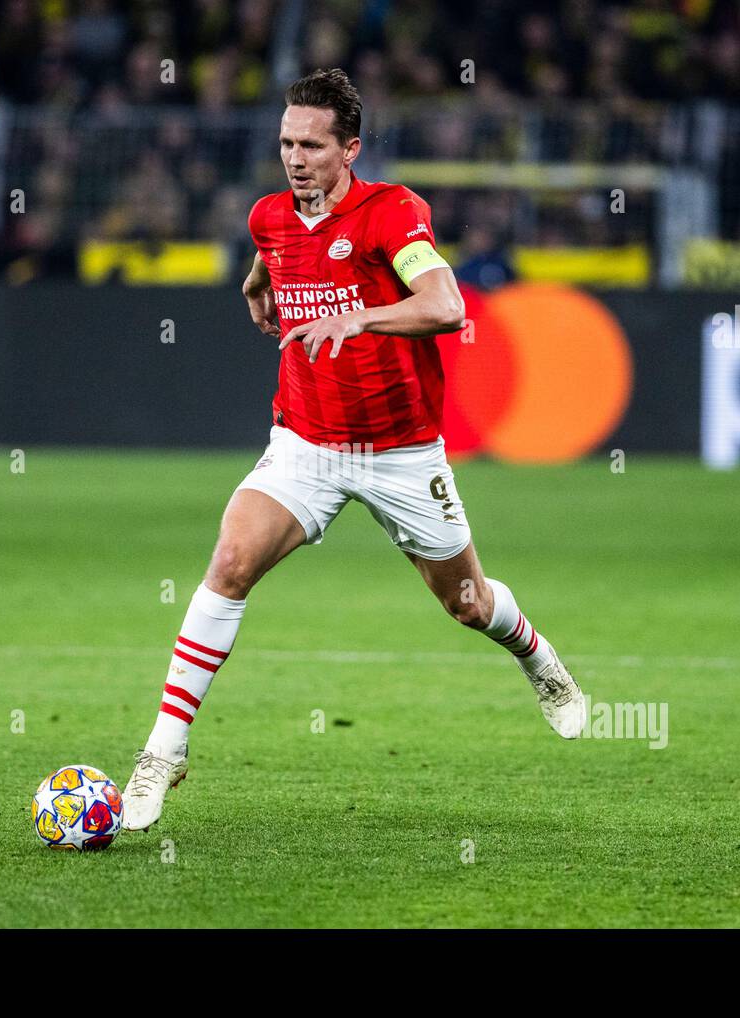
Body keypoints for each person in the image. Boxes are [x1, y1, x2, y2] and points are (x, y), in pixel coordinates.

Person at [122, 68, 585, 831]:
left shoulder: (390, 212)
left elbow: (445, 304)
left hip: (402, 451)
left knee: (466, 604)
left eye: (311, 144)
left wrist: (362, 318)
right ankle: (162, 752)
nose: (296, 157)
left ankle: (539, 659)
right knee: (230, 565)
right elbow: (278, 251)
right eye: (285, 142)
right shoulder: (269, 217)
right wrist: (256, 280)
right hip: (305, 440)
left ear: (349, 149)